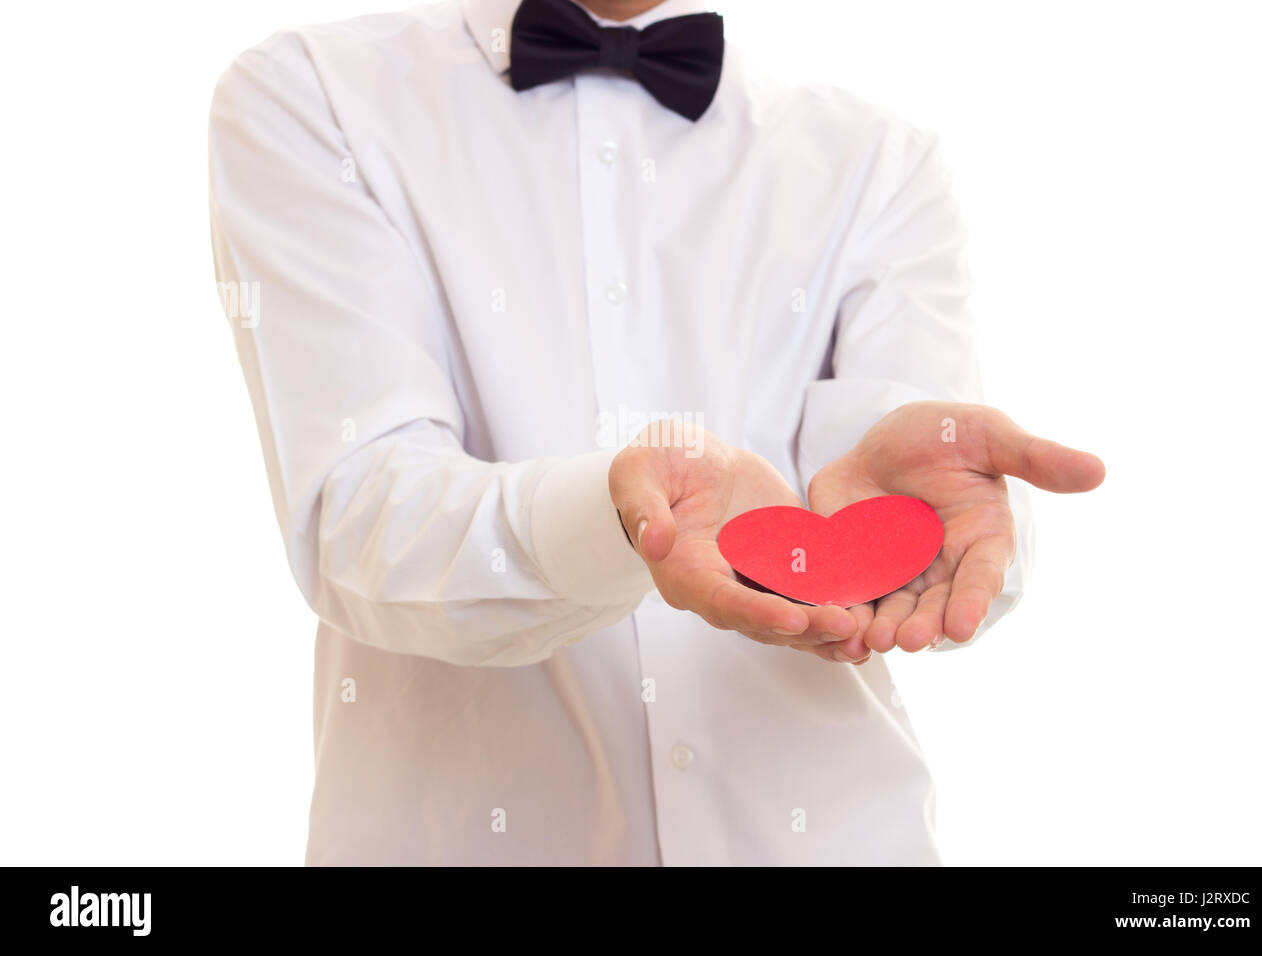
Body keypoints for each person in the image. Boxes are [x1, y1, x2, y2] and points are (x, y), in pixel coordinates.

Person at [208, 0, 1105, 865]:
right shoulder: (312, 94)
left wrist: (938, 523)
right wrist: (615, 516)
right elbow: (356, 516)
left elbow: (917, 503)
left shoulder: (880, 158)